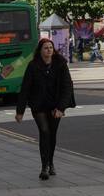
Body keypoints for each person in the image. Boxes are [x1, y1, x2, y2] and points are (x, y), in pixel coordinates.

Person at [16, 37, 76, 180]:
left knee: (52, 134)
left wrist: (61, 108)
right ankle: (44, 167)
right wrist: (20, 111)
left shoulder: (60, 64)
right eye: (46, 48)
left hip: (55, 105)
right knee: (44, 131)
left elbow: (67, 87)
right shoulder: (33, 66)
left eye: (50, 47)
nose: (49, 50)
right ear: (40, 50)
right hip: (39, 105)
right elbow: (25, 88)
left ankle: (51, 162)